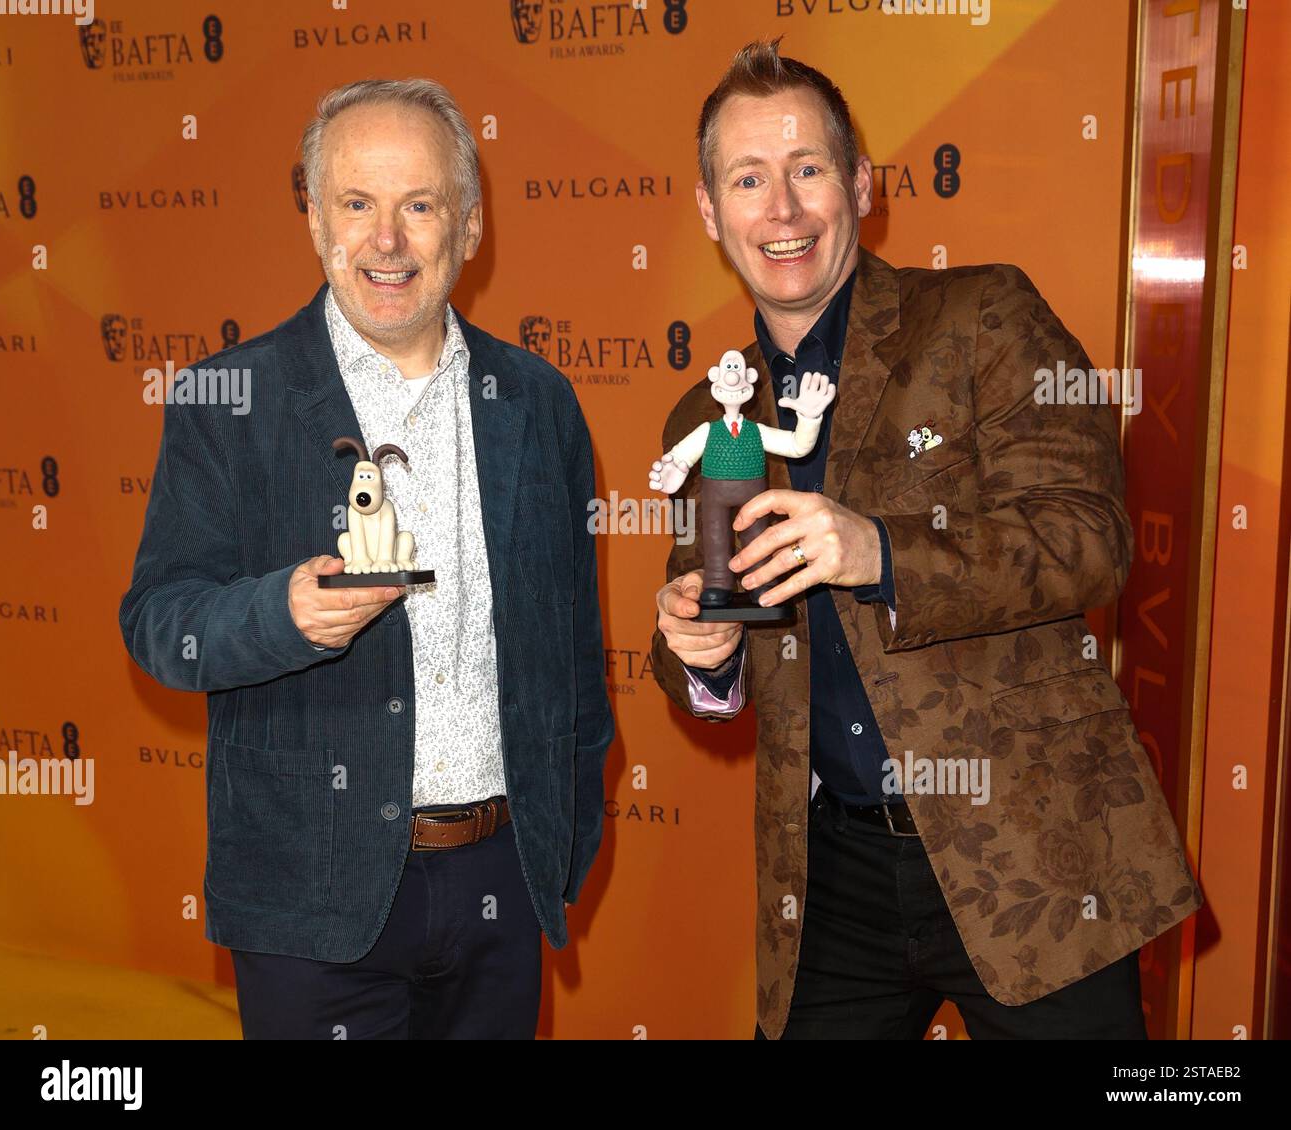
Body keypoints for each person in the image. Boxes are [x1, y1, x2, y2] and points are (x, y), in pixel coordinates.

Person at [649, 39, 1202, 1040]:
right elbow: (699, 612)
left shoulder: (981, 316)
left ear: (860, 183)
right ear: (708, 209)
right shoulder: (705, 411)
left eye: (807, 170)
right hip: (827, 879)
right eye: (747, 179)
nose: (781, 210)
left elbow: (1091, 536)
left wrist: (881, 551)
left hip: (1034, 850)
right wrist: (697, 652)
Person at [119, 78, 612, 1039]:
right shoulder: (227, 398)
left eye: (419, 206)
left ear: (467, 228)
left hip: (498, 887)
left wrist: (560, 847)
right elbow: (157, 622)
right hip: (310, 902)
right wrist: (284, 616)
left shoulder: (541, 402)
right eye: (357, 204)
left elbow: (572, 654)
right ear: (314, 219)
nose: (387, 240)